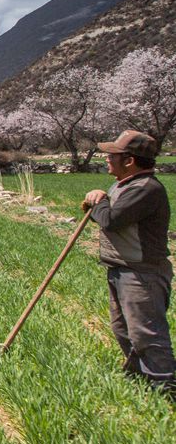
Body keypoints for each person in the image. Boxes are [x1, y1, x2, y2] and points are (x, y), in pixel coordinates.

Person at [82, 130, 173, 397]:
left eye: (113, 155)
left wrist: (95, 204)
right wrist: (99, 196)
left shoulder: (146, 189)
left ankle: (166, 390)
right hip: (121, 268)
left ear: (130, 160)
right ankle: (140, 380)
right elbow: (107, 211)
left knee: (147, 334)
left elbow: (111, 220)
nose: (107, 159)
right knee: (123, 329)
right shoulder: (124, 184)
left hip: (142, 273)